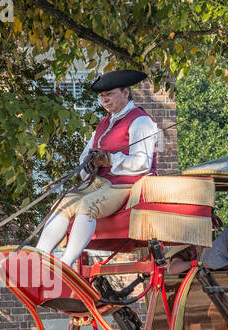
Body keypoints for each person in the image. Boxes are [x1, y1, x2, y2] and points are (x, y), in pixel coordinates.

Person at [35, 68, 159, 267]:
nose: (105, 100)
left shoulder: (140, 121)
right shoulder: (104, 123)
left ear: (126, 92)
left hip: (127, 185)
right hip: (99, 181)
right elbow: (85, 156)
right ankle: (39, 256)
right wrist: (90, 164)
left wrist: (110, 159)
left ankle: (65, 263)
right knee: (62, 204)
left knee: (88, 205)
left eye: (109, 94)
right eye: (102, 96)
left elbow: (142, 163)